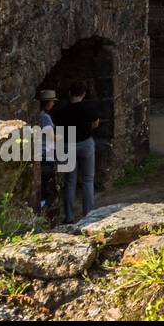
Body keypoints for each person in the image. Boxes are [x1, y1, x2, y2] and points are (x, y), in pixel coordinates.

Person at [57, 82, 100, 223]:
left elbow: (57, 130)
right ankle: (88, 215)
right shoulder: (89, 108)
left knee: (70, 182)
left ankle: (69, 216)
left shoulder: (62, 111)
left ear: (70, 93)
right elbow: (95, 123)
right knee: (88, 180)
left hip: (68, 145)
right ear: (83, 94)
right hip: (85, 143)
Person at [36, 89, 59, 221]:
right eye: (52, 102)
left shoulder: (38, 115)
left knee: (45, 185)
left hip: (42, 152)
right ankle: (46, 214)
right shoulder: (45, 117)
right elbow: (51, 136)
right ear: (49, 103)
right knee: (47, 186)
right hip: (46, 153)